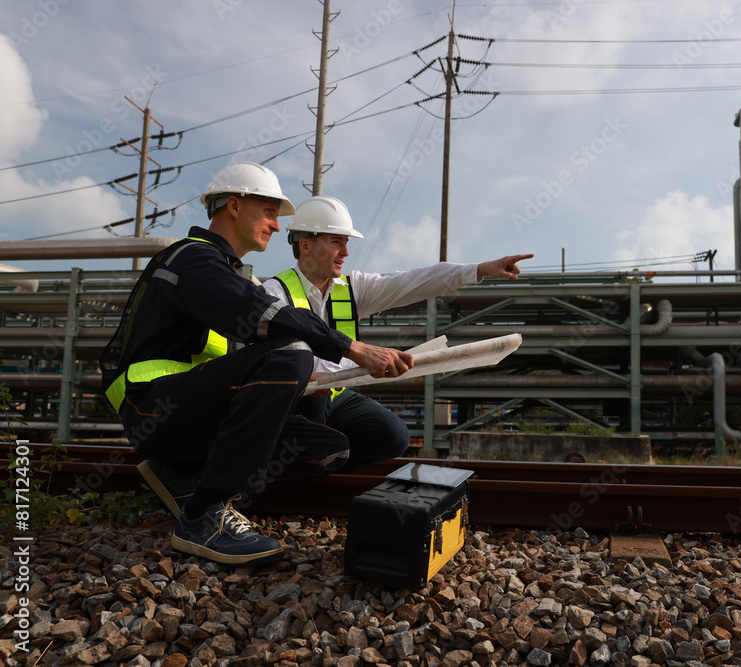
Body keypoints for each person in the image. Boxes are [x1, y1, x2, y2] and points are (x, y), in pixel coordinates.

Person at [100, 162, 413, 566]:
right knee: (292, 351)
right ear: (234, 204)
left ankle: (184, 474)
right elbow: (259, 313)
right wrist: (350, 347)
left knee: (329, 448)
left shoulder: (220, 269)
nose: (277, 226)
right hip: (154, 407)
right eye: (269, 212)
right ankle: (201, 516)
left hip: (183, 409)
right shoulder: (194, 259)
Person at [261, 195, 533, 475]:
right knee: (313, 422)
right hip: (296, 400)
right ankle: (285, 475)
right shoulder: (275, 292)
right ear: (305, 245)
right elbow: (262, 366)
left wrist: (479, 270)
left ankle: (316, 470)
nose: (345, 252)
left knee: (393, 436)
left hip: (338, 396)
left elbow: (413, 281)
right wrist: (308, 381)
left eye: (346, 243)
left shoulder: (352, 288)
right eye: (336, 242)